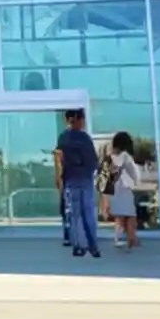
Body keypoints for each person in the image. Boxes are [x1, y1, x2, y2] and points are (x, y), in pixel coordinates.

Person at [55, 109, 100, 258]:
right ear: (79, 120)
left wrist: (60, 177)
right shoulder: (85, 138)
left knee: (75, 214)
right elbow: (94, 162)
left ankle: (79, 246)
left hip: (70, 179)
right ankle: (92, 245)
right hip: (86, 179)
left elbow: (59, 159)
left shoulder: (63, 137)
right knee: (88, 213)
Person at [108, 131, 140, 250]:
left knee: (120, 218)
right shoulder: (126, 157)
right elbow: (133, 174)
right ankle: (131, 239)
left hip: (114, 192)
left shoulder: (111, 158)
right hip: (124, 190)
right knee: (130, 216)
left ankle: (121, 238)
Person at [97, 147, 123, 248]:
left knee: (117, 216)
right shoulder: (109, 162)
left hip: (110, 190)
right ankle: (117, 238)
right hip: (111, 191)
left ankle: (117, 238)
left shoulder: (106, 162)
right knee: (117, 215)